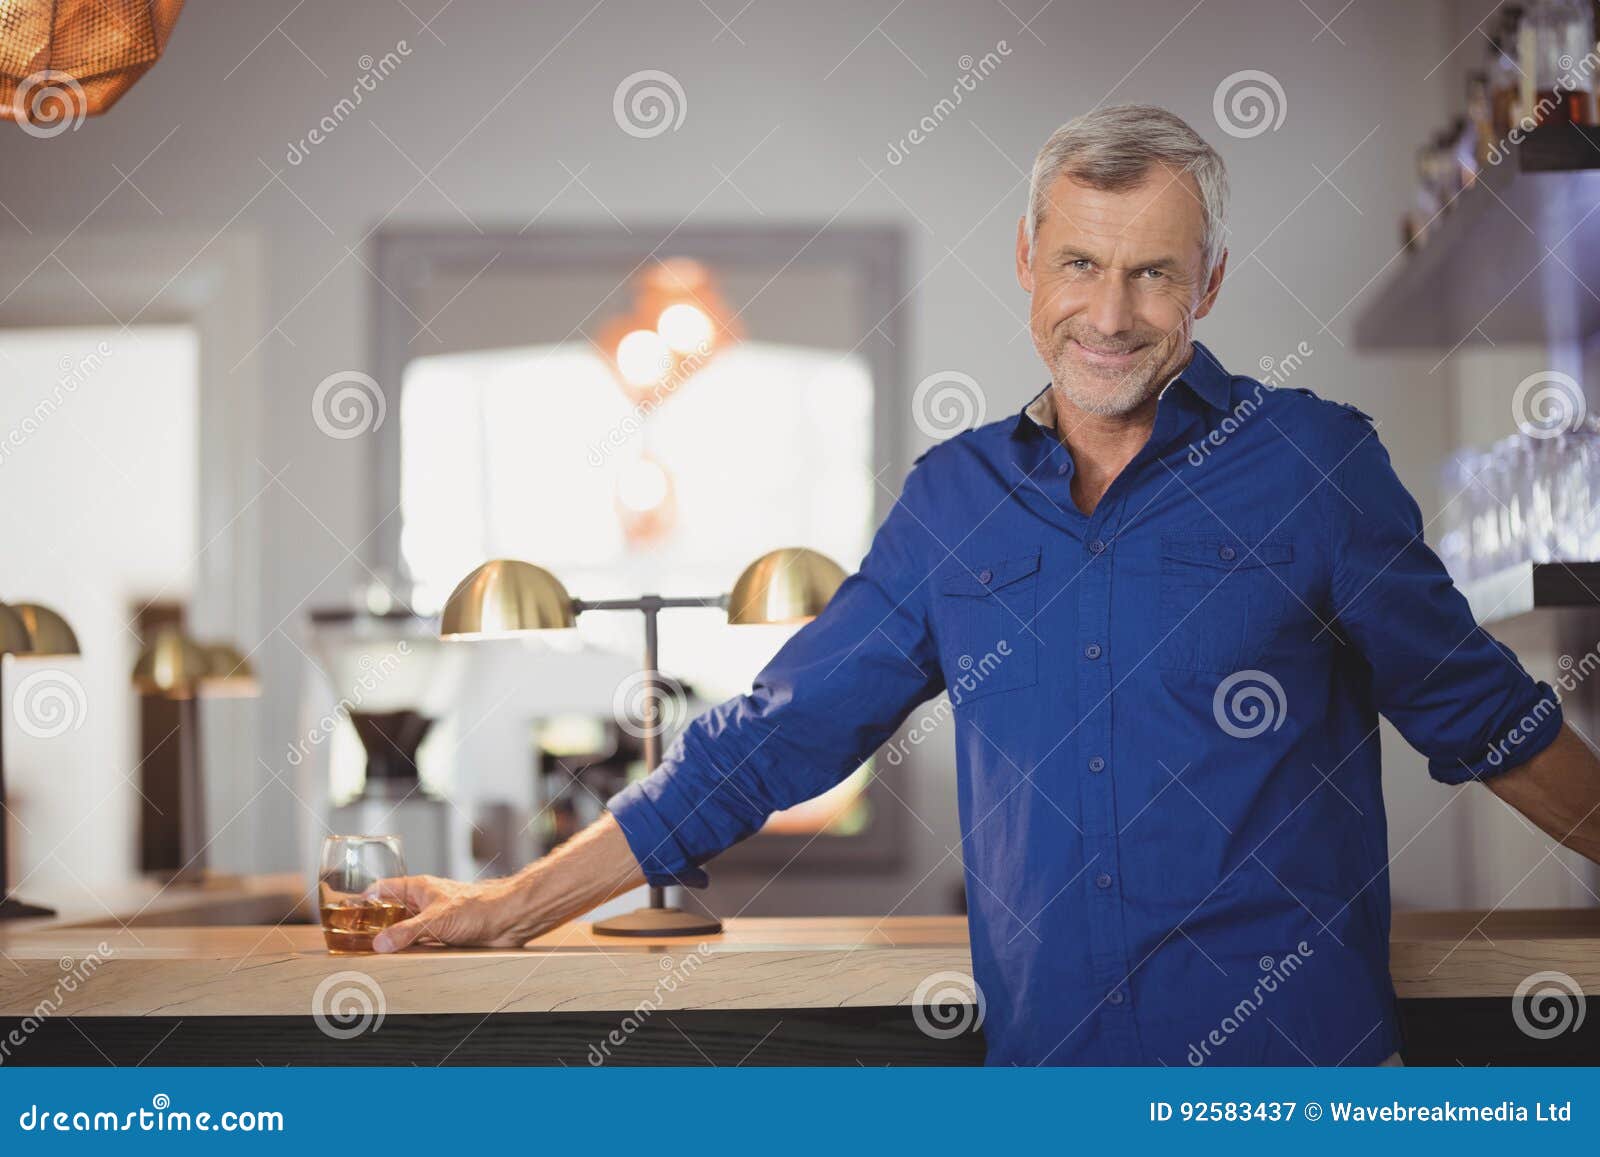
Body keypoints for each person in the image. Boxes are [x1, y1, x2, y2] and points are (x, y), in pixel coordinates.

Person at [369, 104, 1600, 1066]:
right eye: (1078, 263)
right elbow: (772, 738)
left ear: (1208, 284)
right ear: (1026, 261)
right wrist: (515, 904)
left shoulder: (1312, 465)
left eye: (1153, 274)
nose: (1107, 315)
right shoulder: (951, 505)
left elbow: (1488, 717)